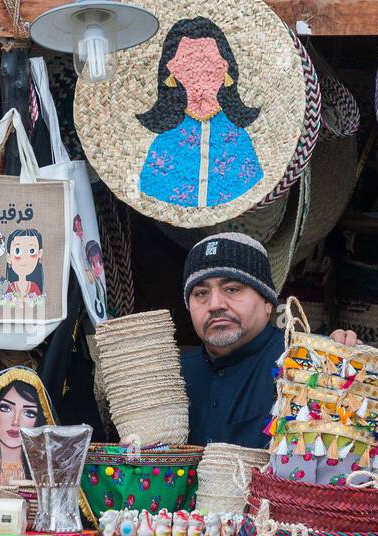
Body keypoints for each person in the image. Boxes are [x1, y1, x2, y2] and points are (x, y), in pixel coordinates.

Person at [180, 232, 354, 448]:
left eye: (232, 289)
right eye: (201, 293)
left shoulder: (309, 364)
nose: (215, 304)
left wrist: (350, 367)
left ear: (267, 303)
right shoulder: (175, 377)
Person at [137, 16, 264, 208]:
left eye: (210, 64)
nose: (200, 75)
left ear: (226, 68)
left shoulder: (240, 142)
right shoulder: (162, 146)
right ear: (172, 72)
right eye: (189, 66)